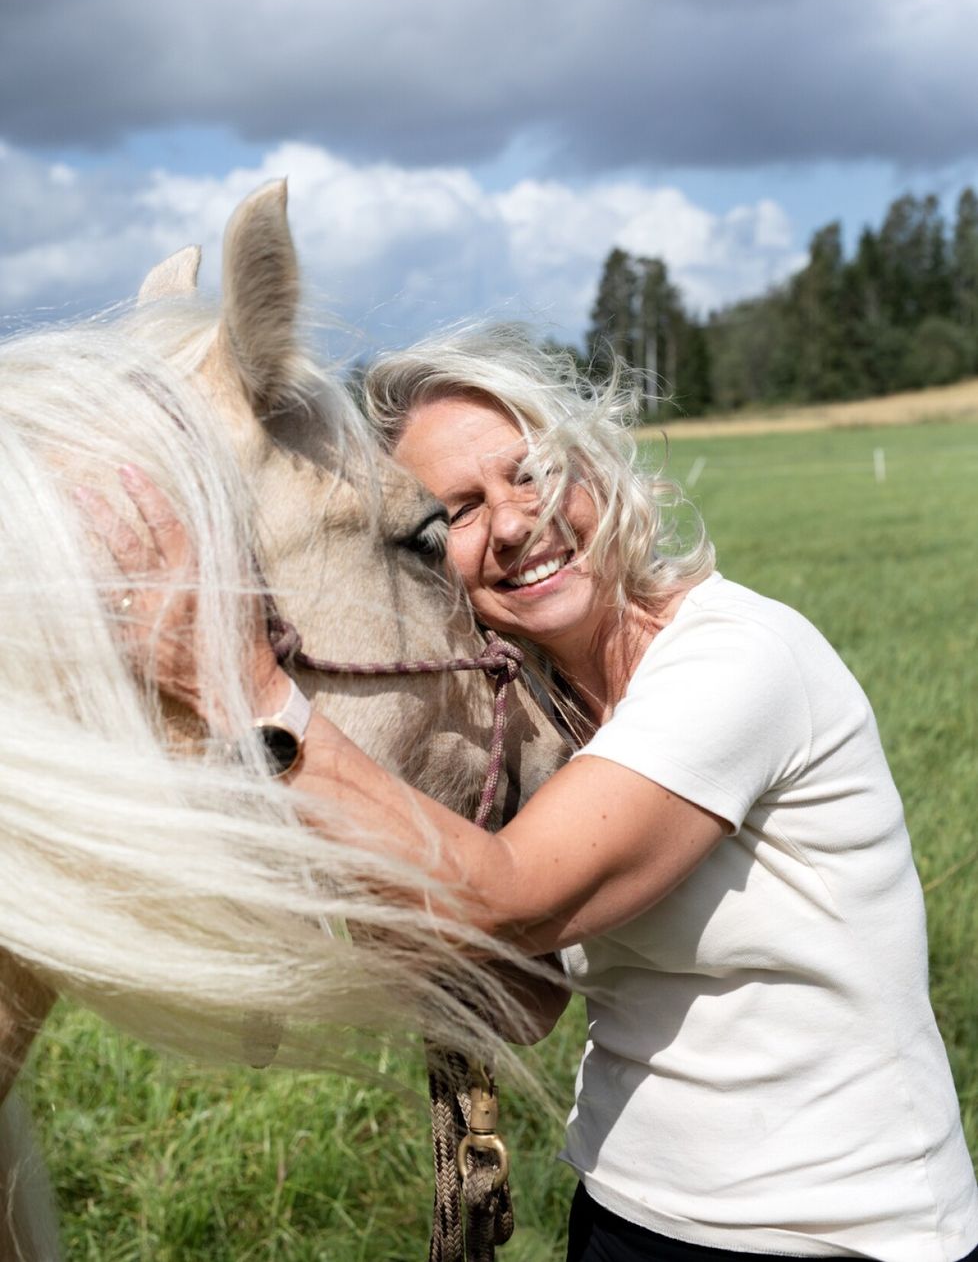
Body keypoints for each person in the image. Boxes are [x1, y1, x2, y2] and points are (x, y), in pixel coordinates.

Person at [109, 326, 978, 1262]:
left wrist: (257, 703)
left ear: (598, 468)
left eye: (531, 472)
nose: (515, 522)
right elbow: (522, 1001)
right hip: (627, 1211)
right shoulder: (543, 709)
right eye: (460, 512)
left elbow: (513, 896)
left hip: (834, 1232)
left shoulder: (737, 660)